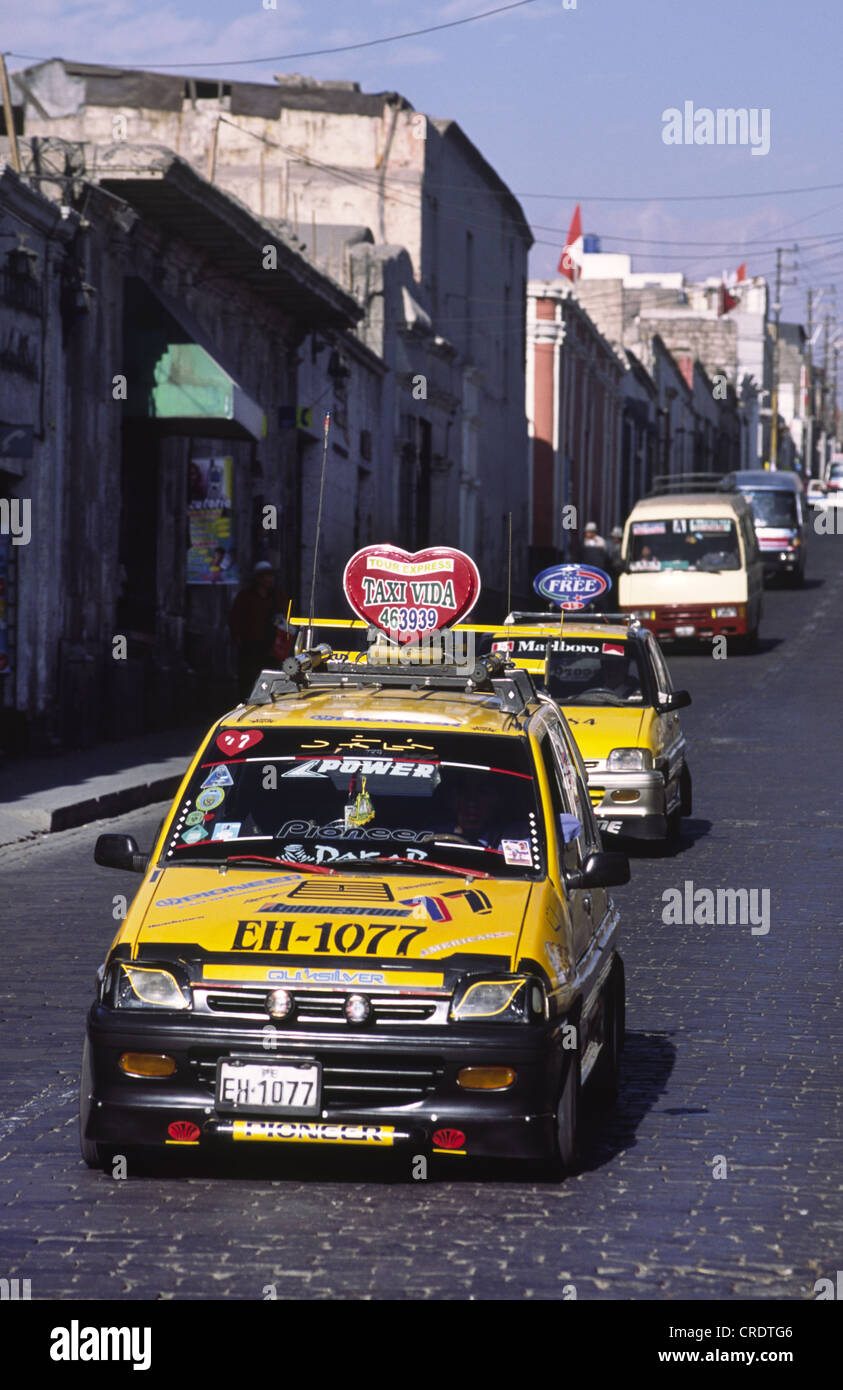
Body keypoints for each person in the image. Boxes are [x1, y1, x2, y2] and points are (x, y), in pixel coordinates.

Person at [228, 561, 291, 696]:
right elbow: (235, 619)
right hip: (250, 647)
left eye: (270, 576)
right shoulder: (245, 596)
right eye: (265, 576)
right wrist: (237, 638)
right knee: (249, 680)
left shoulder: (278, 596)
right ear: (257, 578)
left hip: (272, 647)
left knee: (272, 678)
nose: (269, 579)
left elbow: (287, 617)